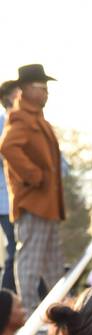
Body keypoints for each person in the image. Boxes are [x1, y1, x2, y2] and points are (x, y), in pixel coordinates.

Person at [0, 64, 65, 316]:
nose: (45, 93)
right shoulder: (21, 118)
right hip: (32, 202)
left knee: (52, 262)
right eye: (41, 88)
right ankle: (26, 310)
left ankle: (60, 310)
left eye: (46, 88)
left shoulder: (37, 118)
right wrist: (33, 176)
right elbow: (8, 147)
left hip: (47, 203)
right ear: (26, 90)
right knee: (29, 258)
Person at [0, 79, 21, 292]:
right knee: (16, 249)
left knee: (24, 249)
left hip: (24, 200)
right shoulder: (3, 123)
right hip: (6, 202)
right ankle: (6, 297)